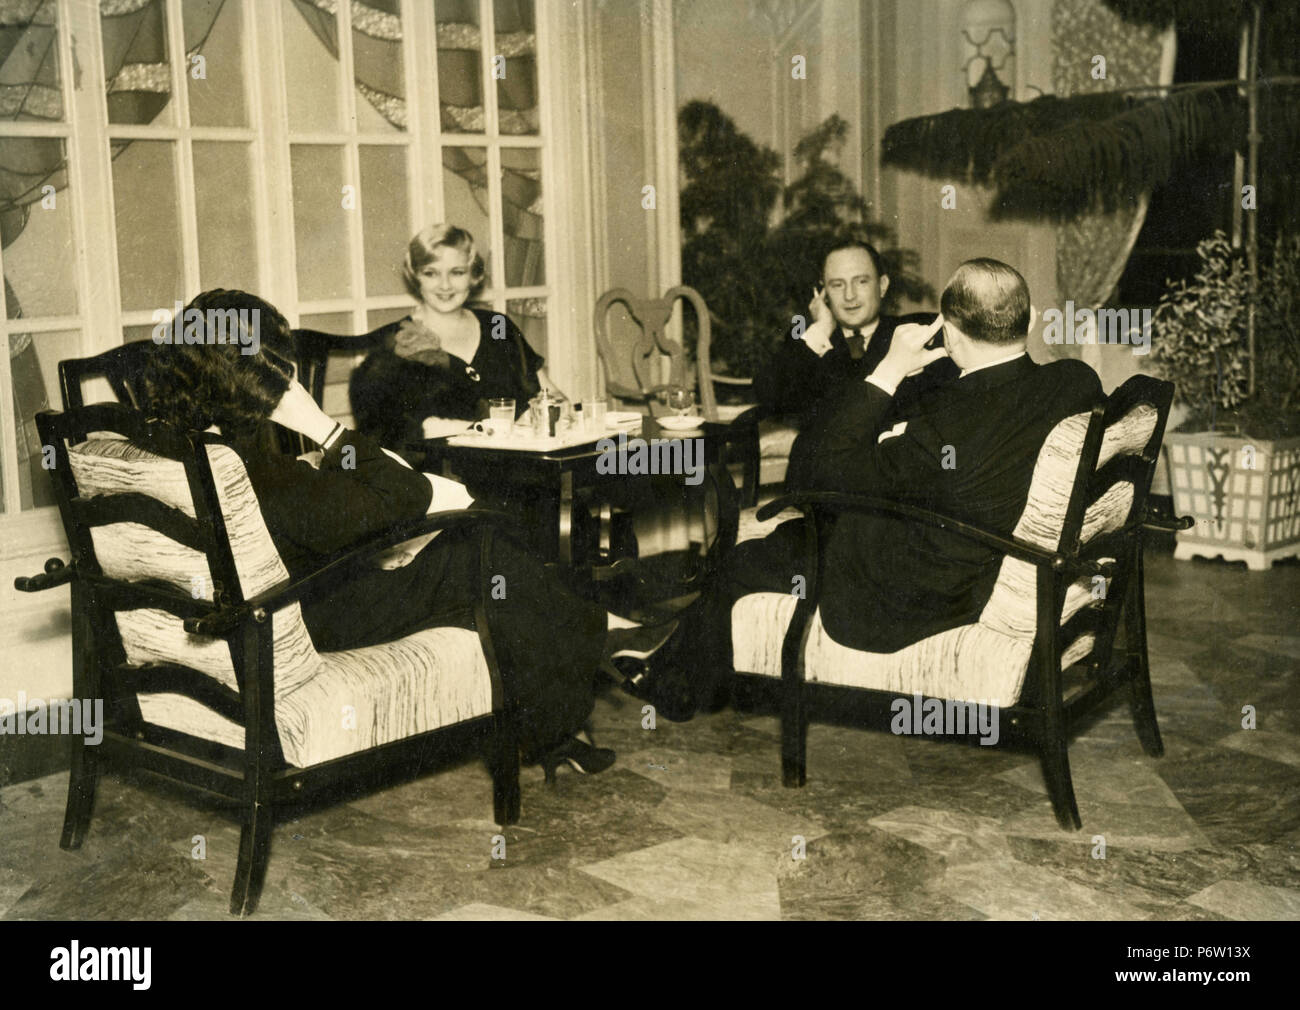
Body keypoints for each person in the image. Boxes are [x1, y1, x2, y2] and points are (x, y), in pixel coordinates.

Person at [137, 289, 617, 779]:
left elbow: (309, 513)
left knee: (495, 584)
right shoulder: (252, 467)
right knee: (497, 555)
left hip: (266, 605)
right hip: (312, 612)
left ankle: (551, 708)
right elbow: (410, 494)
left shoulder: (179, 445)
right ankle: (567, 700)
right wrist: (321, 427)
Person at [633, 259, 1104, 720]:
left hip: (908, 590)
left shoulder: (946, 423)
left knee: (745, 559)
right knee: (783, 544)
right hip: (970, 556)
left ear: (952, 333)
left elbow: (821, 470)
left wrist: (889, 369)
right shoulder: (1073, 381)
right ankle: (665, 666)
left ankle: (670, 689)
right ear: (1033, 319)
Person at [752, 236, 958, 490]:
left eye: (861, 281)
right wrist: (821, 329)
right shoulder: (811, 341)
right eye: (837, 285)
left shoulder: (912, 335)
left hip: (889, 488)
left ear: (882, 285)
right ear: (822, 293)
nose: (849, 296)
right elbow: (768, 394)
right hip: (820, 490)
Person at [349, 224, 565, 446]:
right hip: (437, 475)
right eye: (431, 273)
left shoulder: (497, 326)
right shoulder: (396, 342)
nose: (445, 285)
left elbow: (552, 397)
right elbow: (388, 440)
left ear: (474, 275)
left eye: (457, 272)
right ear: (415, 276)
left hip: (520, 466)